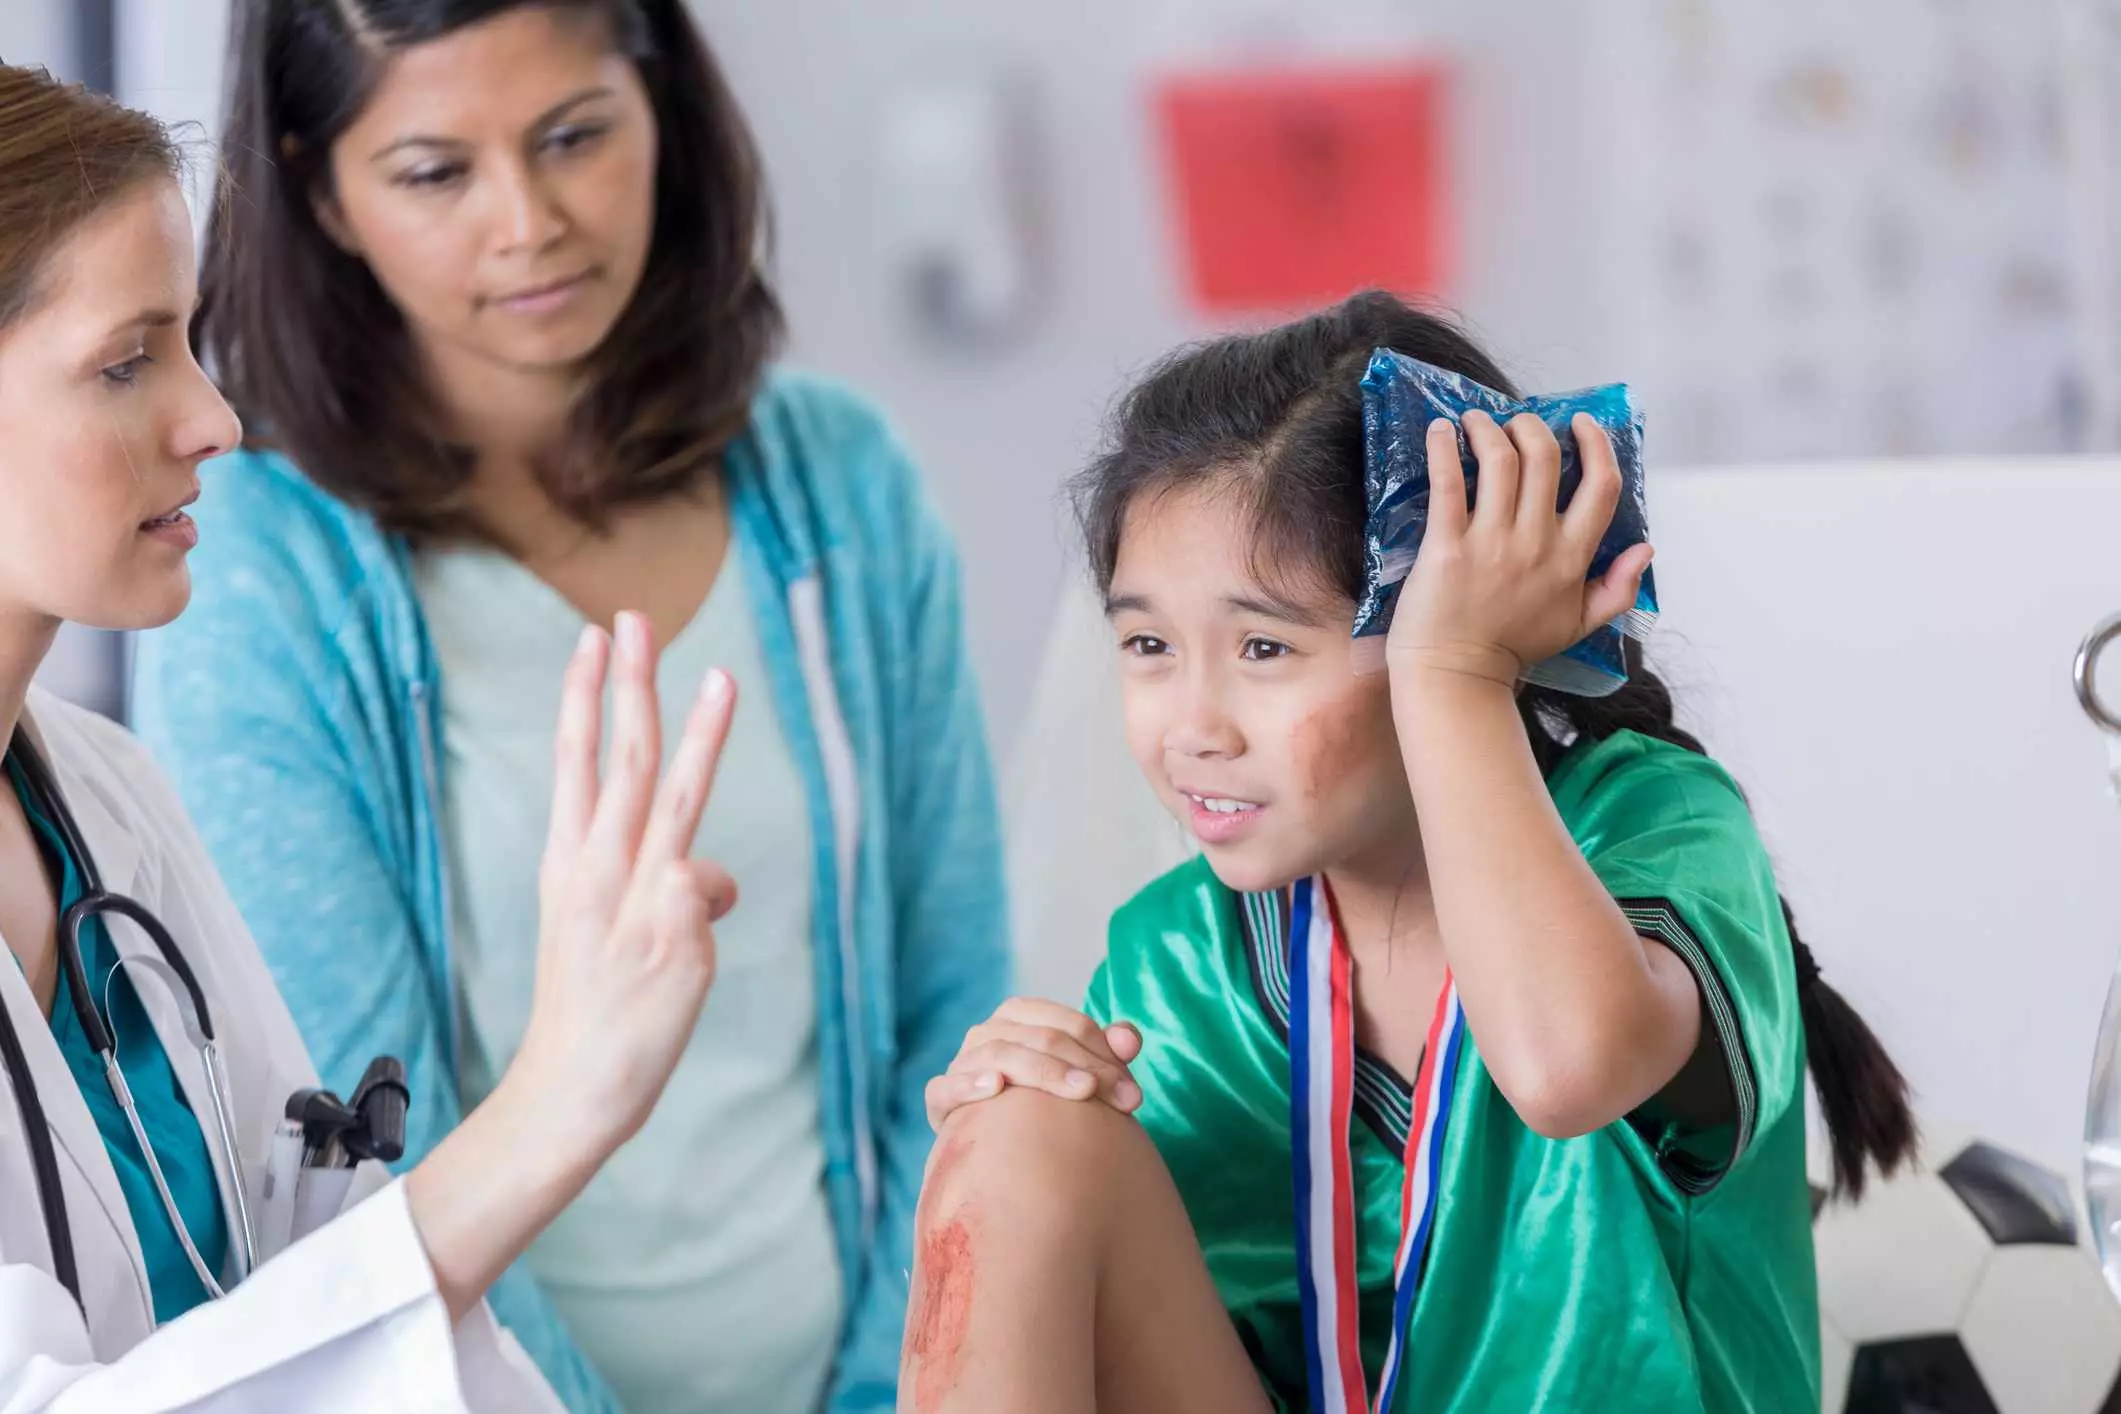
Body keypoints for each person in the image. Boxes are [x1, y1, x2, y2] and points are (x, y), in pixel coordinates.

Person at [127, 2, 1007, 1410]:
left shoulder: (845, 486)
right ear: (319, 188)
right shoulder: (257, 569)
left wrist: (889, 1382)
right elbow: (354, 1142)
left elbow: (950, 1014)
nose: (527, 221)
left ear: (662, 106)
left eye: (574, 136)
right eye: (434, 172)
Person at [905, 292, 1919, 1413]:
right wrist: (1015, 1107)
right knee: (1017, 1140)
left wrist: (1456, 672)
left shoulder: (1653, 831)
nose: (1193, 722)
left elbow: (1565, 1065)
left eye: (1261, 645)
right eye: (1147, 643)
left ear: (1458, 617)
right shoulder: (1180, 958)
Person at [0, 62, 743, 1411]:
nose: (212, 418)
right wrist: (553, 1102)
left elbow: (323, 1274)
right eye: (123, 361)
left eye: (189, 343)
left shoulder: (107, 796)